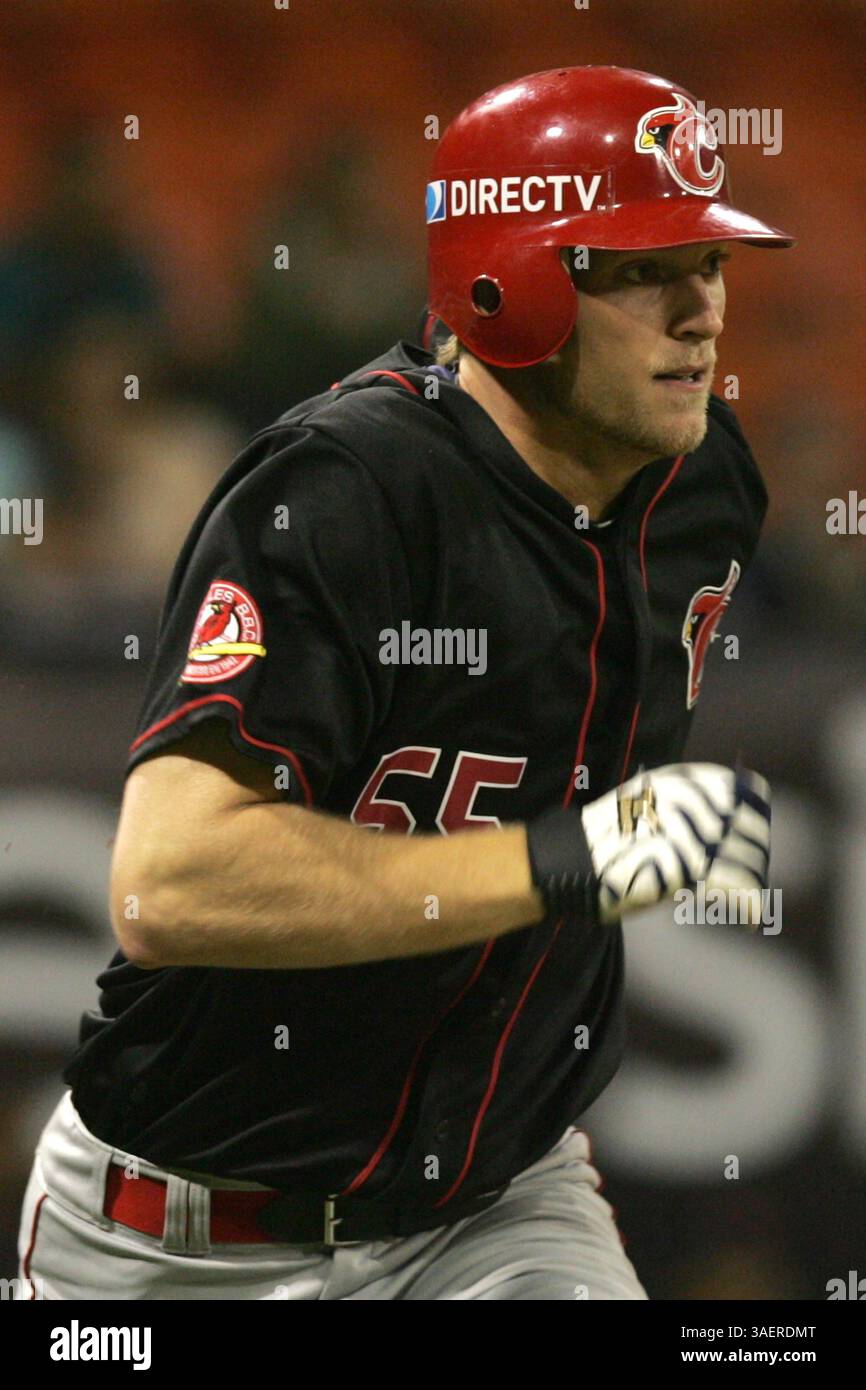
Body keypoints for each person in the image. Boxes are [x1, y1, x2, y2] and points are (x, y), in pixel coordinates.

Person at [17, 65, 788, 1301]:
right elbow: (168, 883)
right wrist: (559, 862)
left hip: (496, 1208)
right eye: (643, 268)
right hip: (188, 1240)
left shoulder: (701, 488)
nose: (701, 309)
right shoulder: (343, 492)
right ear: (509, 279)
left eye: (710, 261)